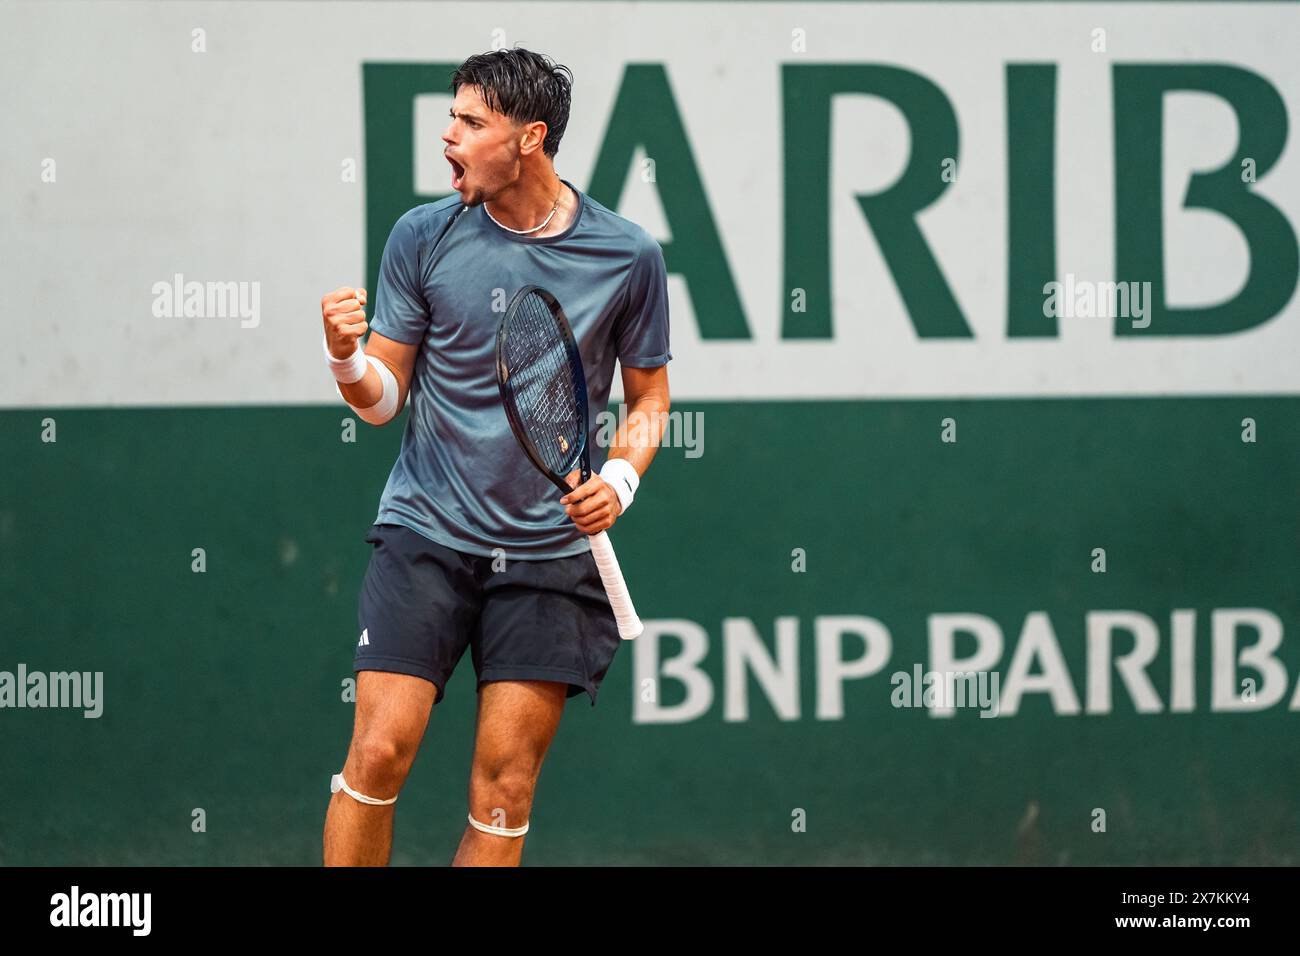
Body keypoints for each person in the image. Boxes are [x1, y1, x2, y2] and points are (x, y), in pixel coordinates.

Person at [320, 47, 672, 866]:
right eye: (453, 116)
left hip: (550, 558)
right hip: (428, 535)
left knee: (504, 794)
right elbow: (382, 402)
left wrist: (619, 478)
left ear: (530, 138)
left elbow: (650, 401)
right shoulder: (422, 235)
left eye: (471, 122)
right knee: (376, 754)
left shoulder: (628, 255)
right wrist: (344, 360)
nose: (448, 136)